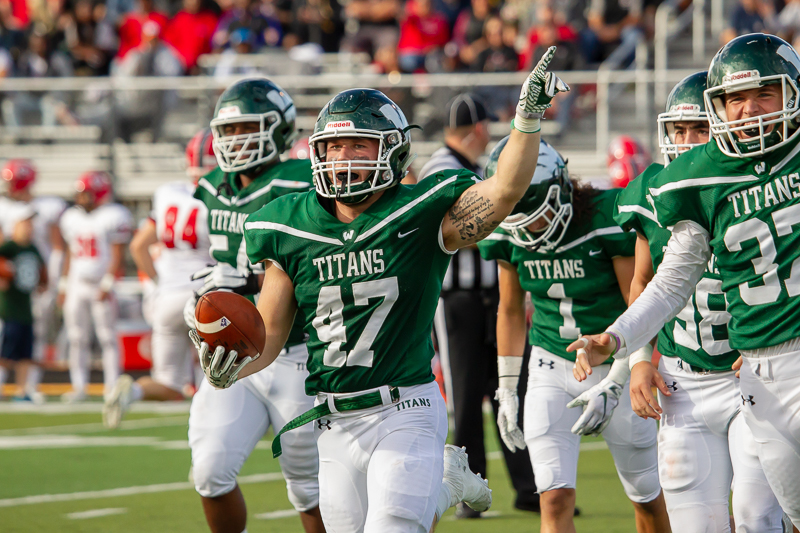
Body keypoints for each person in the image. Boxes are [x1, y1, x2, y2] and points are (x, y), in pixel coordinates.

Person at [192, 48, 569, 532]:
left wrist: (526, 117)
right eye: (334, 147)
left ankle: (436, 486)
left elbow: (503, 190)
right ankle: (444, 486)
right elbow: (268, 335)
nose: (342, 158)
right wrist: (233, 365)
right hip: (330, 417)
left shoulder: (419, 211)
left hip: (404, 406)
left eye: (359, 146)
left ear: (392, 150)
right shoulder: (287, 225)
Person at [569, 33, 800, 528]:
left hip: (762, 366)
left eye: (765, 94)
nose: (750, 111)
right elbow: (669, 282)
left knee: (760, 517)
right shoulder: (696, 179)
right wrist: (620, 342)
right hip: (757, 369)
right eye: (736, 99)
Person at [476, 137, 670, 533]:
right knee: (554, 496)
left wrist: (622, 377)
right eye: (518, 217)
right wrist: (508, 388)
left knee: (645, 496)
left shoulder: (604, 219)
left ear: (561, 189)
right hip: (550, 364)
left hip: (616, 361)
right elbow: (511, 311)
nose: (529, 229)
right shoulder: (509, 236)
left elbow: (638, 304)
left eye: (536, 215)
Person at [182, 77, 325, 533]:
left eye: (247, 129)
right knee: (209, 471)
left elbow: (317, 261)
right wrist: (205, 302)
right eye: (229, 131)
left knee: (310, 488)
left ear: (279, 129)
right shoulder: (212, 188)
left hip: (296, 353)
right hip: (233, 355)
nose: (235, 141)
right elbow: (218, 266)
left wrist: (245, 279)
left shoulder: (300, 182)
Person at [420, 93, 540, 519]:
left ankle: (529, 488)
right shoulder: (442, 167)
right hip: (457, 301)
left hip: (491, 298)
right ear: (476, 129)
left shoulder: (473, 166)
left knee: (510, 389)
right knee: (467, 397)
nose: (489, 133)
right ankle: (467, 492)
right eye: (486, 126)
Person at [103, 129, 215, 429]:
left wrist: (157, 284)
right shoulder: (223, 200)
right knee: (222, 381)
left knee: (170, 383)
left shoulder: (169, 193)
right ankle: (215, 434)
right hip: (208, 298)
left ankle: (135, 390)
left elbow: (139, 246)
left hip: (168, 298)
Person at [58, 171, 133, 402]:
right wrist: (63, 284)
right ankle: (79, 386)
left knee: (107, 337)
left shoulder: (113, 215)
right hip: (77, 284)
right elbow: (70, 252)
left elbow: (118, 254)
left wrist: (108, 283)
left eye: (87, 194)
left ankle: (112, 386)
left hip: (101, 283)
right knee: (76, 336)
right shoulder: (71, 217)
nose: (82, 199)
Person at [0, 159, 67, 403]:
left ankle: (30, 385)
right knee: (8, 334)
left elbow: (57, 247)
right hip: (13, 285)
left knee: (35, 334)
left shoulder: (46, 207)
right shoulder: (4, 208)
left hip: (38, 279)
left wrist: (54, 280)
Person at [0, 206, 47, 402]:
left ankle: (22, 390)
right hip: (8, 308)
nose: (29, 227)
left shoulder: (33, 248)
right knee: (6, 352)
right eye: (25, 223)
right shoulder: (9, 247)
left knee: (25, 354)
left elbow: (42, 272)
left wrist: (44, 282)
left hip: (26, 308)